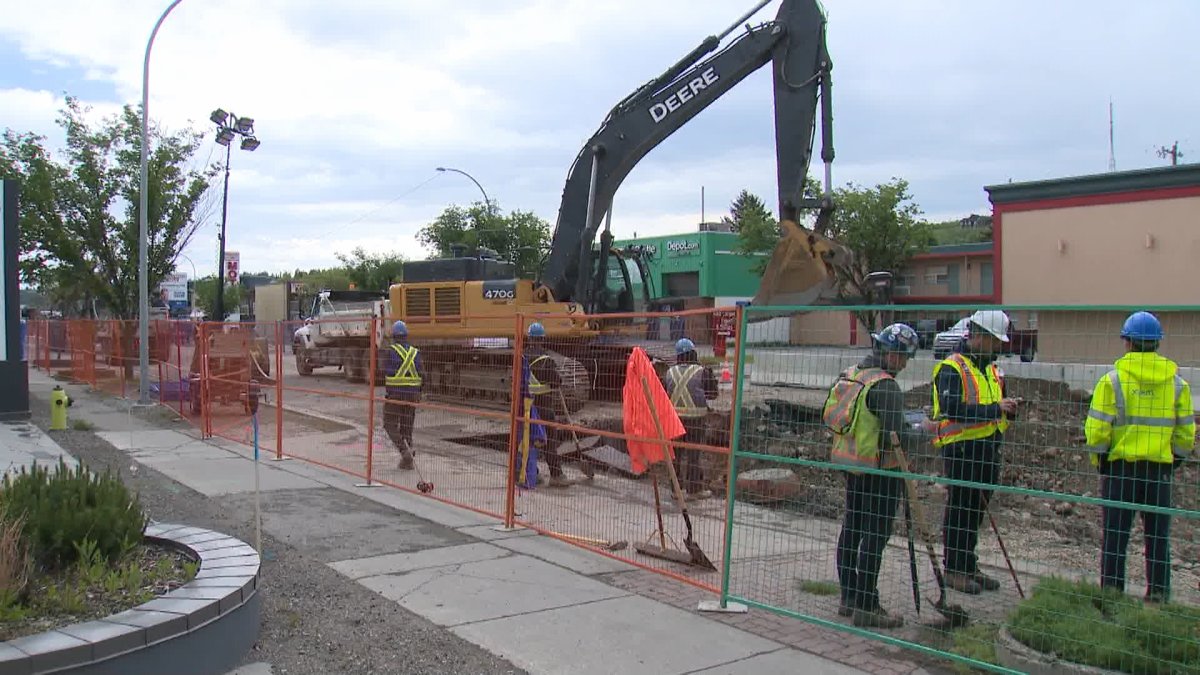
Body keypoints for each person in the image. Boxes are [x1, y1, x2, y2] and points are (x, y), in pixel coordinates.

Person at [1086, 311, 1194, 603]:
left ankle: (1111, 598)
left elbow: (1096, 431)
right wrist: (1175, 461)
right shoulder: (1177, 384)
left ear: (1127, 343)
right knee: (1158, 540)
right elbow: (1186, 434)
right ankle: (1158, 598)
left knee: (1115, 538)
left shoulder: (1113, 381)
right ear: (1157, 344)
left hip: (1121, 470)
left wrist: (1102, 462)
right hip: (1158, 472)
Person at [826, 322, 920, 629]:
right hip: (880, 470)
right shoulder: (885, 386)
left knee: (852, 528)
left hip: (852, 466)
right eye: (904, 357)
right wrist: (925, 432)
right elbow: (896, 435)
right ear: (892, 355)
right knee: (875, 536)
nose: (905, 364)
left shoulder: (853, 374)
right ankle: (867, 604)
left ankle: (849, 596)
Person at [931, 309, 1019, 595]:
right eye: (995, 341)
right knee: (960, 509)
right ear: (979, 337)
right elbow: (952, 409)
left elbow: (994, 404)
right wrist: (996, 409)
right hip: (961, 450)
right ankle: (954, 569)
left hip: (987, 448)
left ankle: (968, 565)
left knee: (975, 511)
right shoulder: (952, 368)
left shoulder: (992, 370)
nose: (998, 348)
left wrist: (1006, 410)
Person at [523, 322, 591, 487]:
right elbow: (556, 381)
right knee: (549, 440)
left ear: (530, 338)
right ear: (542, 339)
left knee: (529, 439)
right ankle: (556, 475)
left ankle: (531, 473)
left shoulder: (522, 356)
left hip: (527, 406)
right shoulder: (545, 360)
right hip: (544, 405)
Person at [661, 337, 718, 499]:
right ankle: (694, 490)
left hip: (675, 420)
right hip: (695, 420)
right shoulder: (702, 372)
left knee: (676, 456)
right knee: (693, 455)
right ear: (693, 353)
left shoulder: (669, 373)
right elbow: (713, 395)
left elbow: (664, 395)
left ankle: (676, 490)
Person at [383, 320, 423, 470]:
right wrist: (418, 393)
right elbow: (422, 374)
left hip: (395, 395)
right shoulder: (416, 352)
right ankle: (408, 459)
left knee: (389, 424)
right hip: (412, 396)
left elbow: (382, 372)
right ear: (406, 335)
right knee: (407, 427)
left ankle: (405, 451)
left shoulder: (389, 351)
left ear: (393, 336)